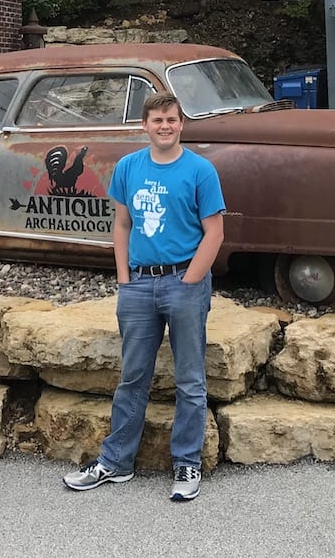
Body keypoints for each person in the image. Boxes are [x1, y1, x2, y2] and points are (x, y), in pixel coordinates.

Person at [62, 92, 225, 503]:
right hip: (137, 284)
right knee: (132, 376)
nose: (165, 126)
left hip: (182, 282)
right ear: (145, 124)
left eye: (171, 119)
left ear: (181, 124)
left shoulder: (200, 171)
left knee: (190, 380)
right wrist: (123, 276)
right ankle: (115, 462)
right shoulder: (129, 167)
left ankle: (186, 461)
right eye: (157, 120)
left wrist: (190, 281)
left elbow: (215, 232)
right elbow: (121, 224)